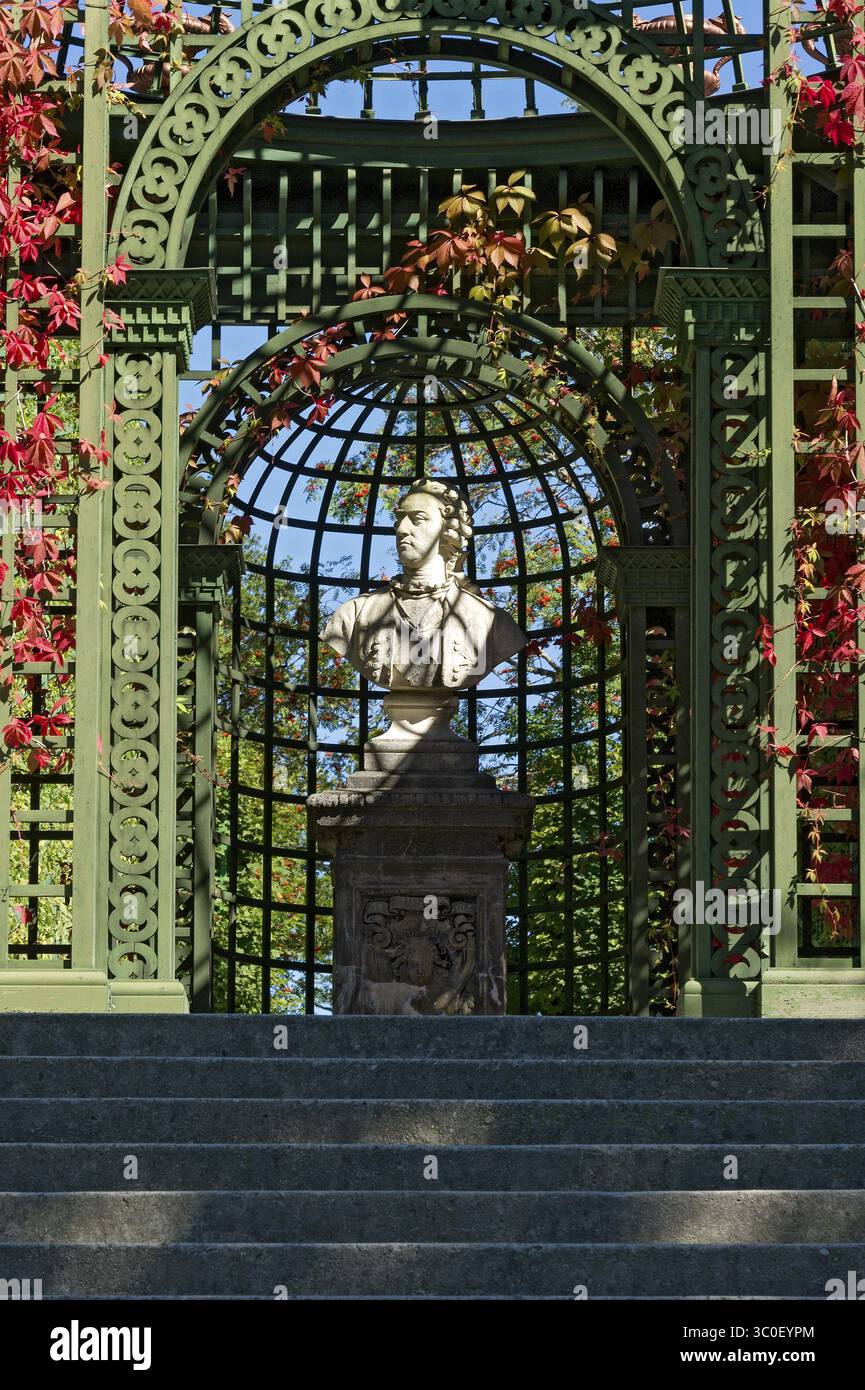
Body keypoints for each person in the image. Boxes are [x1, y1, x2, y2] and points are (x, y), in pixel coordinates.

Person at [320, 477, 527, 689]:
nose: (401, 529)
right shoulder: (352, 615)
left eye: (417, 519)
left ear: (448, 529)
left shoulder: (490, 622)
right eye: (399, 518)